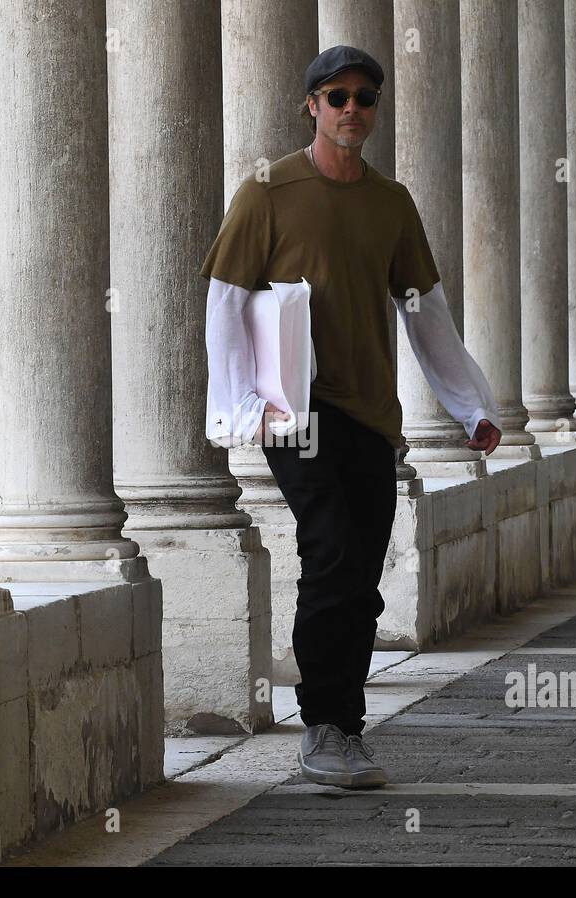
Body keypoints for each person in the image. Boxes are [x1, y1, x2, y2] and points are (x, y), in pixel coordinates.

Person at [200, 46, 502, 788]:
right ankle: (325, 726)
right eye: (337, 97)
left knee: (360, 575)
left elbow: (426, 311)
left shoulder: (391, 202)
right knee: (331, 549)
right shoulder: (267, 190)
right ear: (312, 105)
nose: (352, 110)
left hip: (372, 414)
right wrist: (242, 408)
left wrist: (471, 407)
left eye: (365, 98)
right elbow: (226, 301)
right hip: (296, 410)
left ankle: (345, 728)